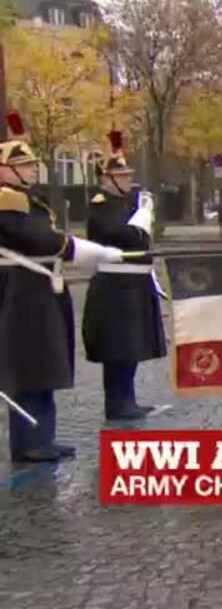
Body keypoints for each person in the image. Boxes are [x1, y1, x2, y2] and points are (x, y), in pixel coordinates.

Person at [0, 112, 125, 461]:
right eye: (23, 166)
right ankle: (29, 442)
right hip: (24, 289)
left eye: (31, 164)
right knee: (30, 363)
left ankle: (42, 436)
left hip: (37, 285)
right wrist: (89, 251)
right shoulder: (7, 199)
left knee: (44, 361)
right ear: (4, 170)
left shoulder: (24, 197)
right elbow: (38, 239)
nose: (31, 170)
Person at [82, 131, 166, 421]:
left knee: (131, 346)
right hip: (115, 284)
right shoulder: (101, 204)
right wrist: (139, 217)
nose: (129, 180)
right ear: (107, 179)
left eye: (129, 175)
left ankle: (128, 398)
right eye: (122, 176)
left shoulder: (127, 202)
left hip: (135, 282)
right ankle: (117, 403)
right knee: (118, 347)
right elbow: (117, 233)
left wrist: (140, 208)